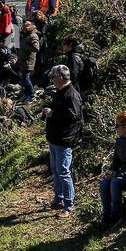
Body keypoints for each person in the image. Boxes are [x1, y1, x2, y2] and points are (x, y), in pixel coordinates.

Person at [43, 64, 82, 217]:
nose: (51, 79)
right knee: (56, 170)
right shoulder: (59, 91)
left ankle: (68, 205)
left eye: (53, 76)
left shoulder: (71, 94)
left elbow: (74, 116)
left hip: (64, 140)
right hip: (54, 138)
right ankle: (58, 198)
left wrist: (53, 114)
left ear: (61, 78)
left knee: (64, 172)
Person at [18, 20, 41, 103]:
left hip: (28, 61)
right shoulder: (25, 35)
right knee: (24, 78)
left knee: (26, 78)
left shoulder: (33, 35)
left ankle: (31, 95)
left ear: (31, 26)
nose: (24, 27)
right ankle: (27, 93)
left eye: (27, 25)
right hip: (23, 60)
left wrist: (25, 46)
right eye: (24, 26)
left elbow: (36, 48)